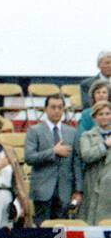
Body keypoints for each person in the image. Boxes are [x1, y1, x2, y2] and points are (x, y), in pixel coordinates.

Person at [24, 94, 82, 222]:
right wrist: (53, 152)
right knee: (42, 232)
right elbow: (29, 157)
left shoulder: (72, 132)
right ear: (45, 109)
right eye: (53, 107)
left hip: (65, 191)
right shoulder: (34, 131)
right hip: (42, 190)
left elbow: (76, 163)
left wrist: (78, 190)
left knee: (61, 233)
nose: (57, 110)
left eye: (60, 107)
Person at [78, 99, 111, 224]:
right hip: (93, 184)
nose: (105, 117)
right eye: (101, 114)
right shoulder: (87, 135)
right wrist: (104, 145)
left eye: (107, 113)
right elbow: (86, 155)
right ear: (94, 117)